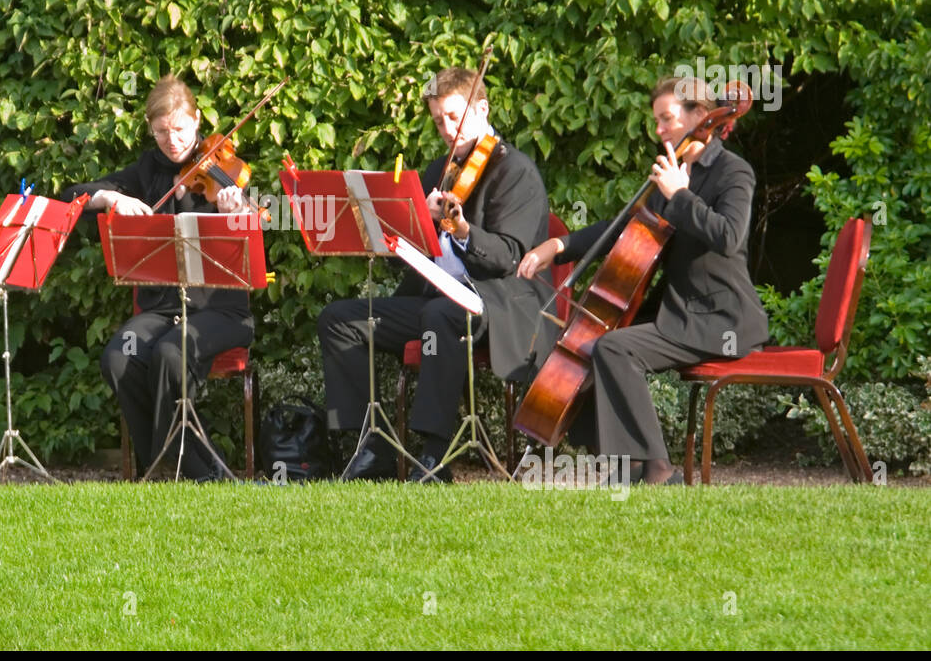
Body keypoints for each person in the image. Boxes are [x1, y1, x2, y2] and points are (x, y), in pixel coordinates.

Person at [517, 76, 769, 484]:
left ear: (701, 116)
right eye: (656, 121)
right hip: (680, 312)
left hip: (722, 318)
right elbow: (624, 229)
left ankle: (655, 469)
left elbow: (728, 236)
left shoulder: (732, 172)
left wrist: (681, 196)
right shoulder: (673, 172)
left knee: (614, 349)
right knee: (596, 347)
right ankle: (625, 466)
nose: (659, 131)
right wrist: (559, 246)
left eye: (667, 119)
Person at [318, 67, 557, 481]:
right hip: (438, 297)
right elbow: (410, 258)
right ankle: (371, 447)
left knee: (441, 317)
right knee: (339, 320)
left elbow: (509, 257)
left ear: (482, 109)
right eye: (438, 120)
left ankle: (435, 454)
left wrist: (464, 230)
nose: (447, 129)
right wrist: (404, 227)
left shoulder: (515, 171)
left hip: (498, 304)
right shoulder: (437, 172)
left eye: (455, 117)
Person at [62, 76, 254, 481]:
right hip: (164, 308)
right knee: (119, 356)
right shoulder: (147, 171)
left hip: (218, 310)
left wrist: (233, 213)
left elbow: (250, 241)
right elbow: (73, 197)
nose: (173, 141)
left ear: (197, 120)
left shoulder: (223, 176)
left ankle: (196, 468)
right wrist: (109, 198)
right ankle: (162, 462)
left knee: (170, 353)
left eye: (181, 129)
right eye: (162, 132)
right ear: (151, 129)